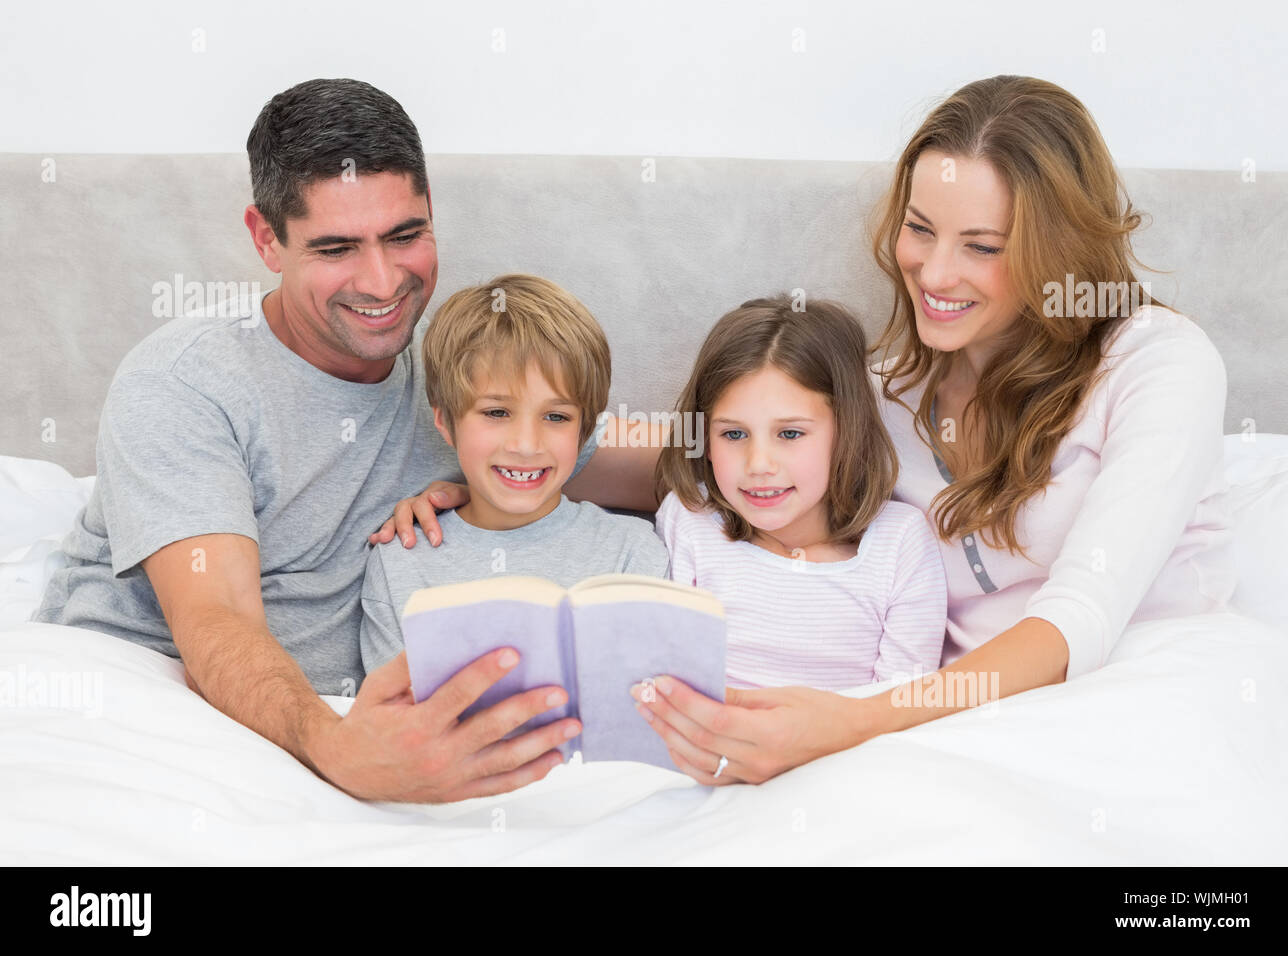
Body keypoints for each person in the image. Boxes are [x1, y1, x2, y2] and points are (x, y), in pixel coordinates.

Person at [387, 74, 1236, 786]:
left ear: (1059, 249)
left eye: (982, 246)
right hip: (949, 727)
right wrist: (486, 475)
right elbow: (689, 453)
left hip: (1128, 697)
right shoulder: (887, 393)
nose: (935, 272)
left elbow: (1079, 618)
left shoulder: (1158, 364)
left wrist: (853, 722)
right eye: (919, 230)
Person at [33, 78, 660, 804]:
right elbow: (216, 620)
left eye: (405, 236)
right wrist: (337, 749)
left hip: (343, 726)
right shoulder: (184, 383)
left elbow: (675, 465)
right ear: (266, 238)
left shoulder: (467, 387)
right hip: (152, 702)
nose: (383, 281)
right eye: (336, 247)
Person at [361, 274, 669, 673]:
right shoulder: (400, 564)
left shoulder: (632, 552)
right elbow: (391, 708)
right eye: (497, 412)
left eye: (556, 416)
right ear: (446, 422)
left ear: (585, 431)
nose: (526, 444)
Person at [653, 295, 946, 690]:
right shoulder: (690, 521)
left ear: (846, 432)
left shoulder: (900, 543)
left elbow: (898, 703)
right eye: (733, 434)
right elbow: (665, 675)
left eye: (790, 433)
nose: (759, 464)